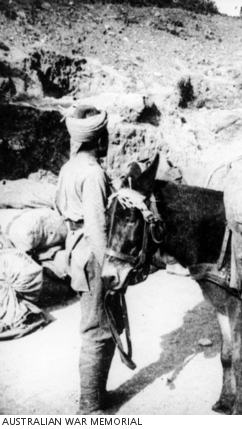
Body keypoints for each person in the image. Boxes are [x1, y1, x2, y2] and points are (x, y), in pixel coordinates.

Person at [56, 105, 116, 415]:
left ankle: (98, 397)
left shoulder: (68, 169)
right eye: (105, 137)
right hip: (92, 257)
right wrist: (110, 270)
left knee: (99, 326)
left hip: (75, 253)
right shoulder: (93, 173)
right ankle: (90, 409)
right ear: (98, 139)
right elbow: (97, 228)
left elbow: (60, 209)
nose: (108, 142)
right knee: (97, 331)